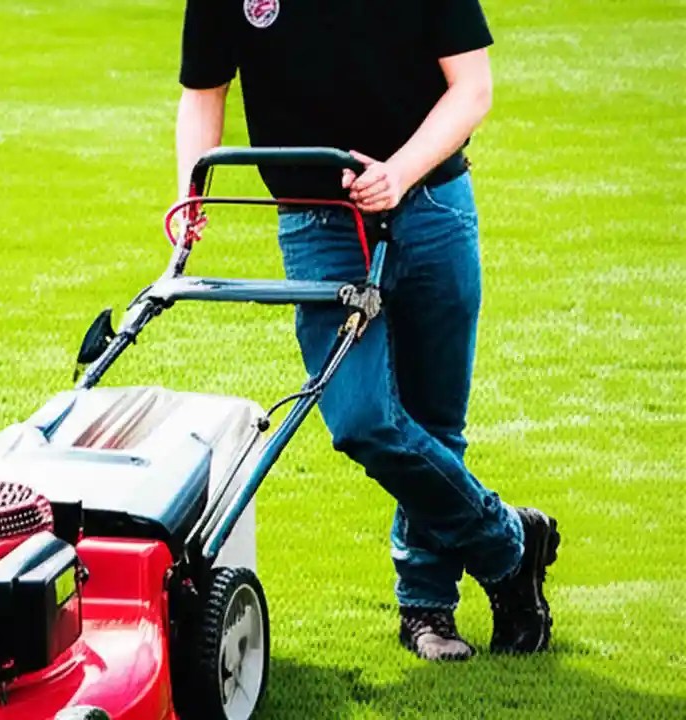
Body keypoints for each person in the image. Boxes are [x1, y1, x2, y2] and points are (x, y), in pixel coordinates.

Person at [174, 0, 561, 661]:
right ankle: (508, 546)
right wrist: (192, 189)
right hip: (318, 223)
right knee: (360, 420)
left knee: (436, 420)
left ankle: (426, 610)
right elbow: (203, 90)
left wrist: (399, 172)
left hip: (433, 202)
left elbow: (472, 87)